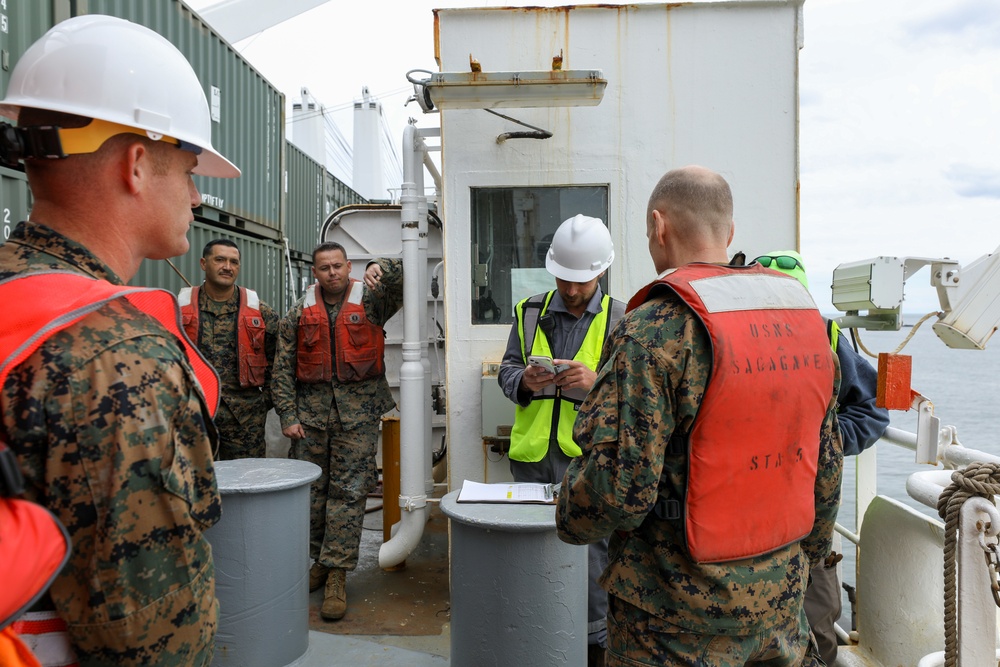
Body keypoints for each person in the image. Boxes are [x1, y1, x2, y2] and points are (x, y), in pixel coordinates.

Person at [0, 14, 240, 667]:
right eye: (189, 168)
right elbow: (151, 638)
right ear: (137, 165)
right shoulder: (116, 356)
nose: (196, 195)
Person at [555, 165, 843, 666]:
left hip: (673, 623)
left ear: (658, 226)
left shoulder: (651, 330)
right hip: (782, 610)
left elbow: (619, 493)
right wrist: (805, 561)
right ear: (729, 232)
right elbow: (826, 472)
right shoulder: (806, 323)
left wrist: (565, 515)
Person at [498, 213, 625, 663]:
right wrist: (527, 382)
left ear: (600, 272)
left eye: (581, 281)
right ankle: (534, 633)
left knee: (592, 556)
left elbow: (632, 398)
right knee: (530, 549)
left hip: (587, 463)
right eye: (563, 279)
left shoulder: (622, 319)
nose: (570, 290)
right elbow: (507, 371)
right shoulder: (529, 311)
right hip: (531, 459)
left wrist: (597, 384)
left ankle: (591, 646)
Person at [753, 249, 890, 665]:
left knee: (815, 626)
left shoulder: (828, 336)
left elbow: (871, 411)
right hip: (747, 517)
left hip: (810, 517)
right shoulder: (737, 338)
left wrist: (822, 441)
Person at [271, 242, 403, 621]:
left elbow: (405, 276)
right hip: (309, 419)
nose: (332, 273)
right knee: (312, 497)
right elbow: (282, 367)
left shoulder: (373, 300)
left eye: (337, 266)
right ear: (315, 272)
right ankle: (320, 562)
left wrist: (382, 264)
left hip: (358, 417)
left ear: (348, 267)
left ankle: (337, 575)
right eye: (324, 268)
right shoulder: (299, 310)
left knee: (348, 494)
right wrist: (287, 415)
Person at [179, 239, 280, 460]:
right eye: (220, 260)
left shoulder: (261, 313)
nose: (227, 266)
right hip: (193, 415)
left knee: (248, 483)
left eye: (234, 262)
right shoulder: (178, 310)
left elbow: (279, 364)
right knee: (195, 482)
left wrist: (262, 404)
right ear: (204, 263)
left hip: (245, 422)